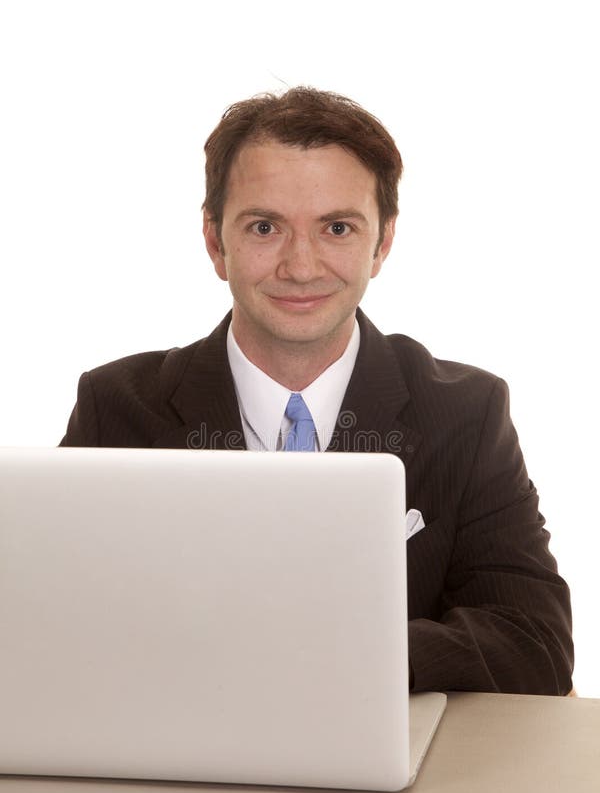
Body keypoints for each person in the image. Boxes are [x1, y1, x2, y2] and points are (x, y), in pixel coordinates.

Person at [61, 86, 574, 695]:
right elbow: (51, 621)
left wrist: (328, 655)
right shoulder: (114, 408)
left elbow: (533, 642)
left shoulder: (468, 413)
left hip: (390, 751)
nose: (301, 267)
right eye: (264, 227)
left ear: (382, 243)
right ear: (215, 242)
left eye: (336, 227)